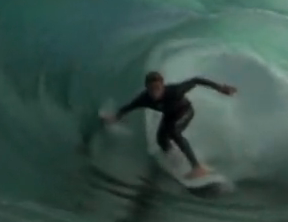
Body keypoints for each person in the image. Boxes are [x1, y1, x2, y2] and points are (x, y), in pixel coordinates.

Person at [101, 70, 237, 179]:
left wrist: (220, 88)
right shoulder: (145, 98)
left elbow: (196, 80)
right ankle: (177, 160)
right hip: (170, 116)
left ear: (163, 85)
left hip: (185, 111)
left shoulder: (175, 91)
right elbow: (129, 107)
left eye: (158, 88)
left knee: (173, 132)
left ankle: (197, 167)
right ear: (147, 88)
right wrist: (115, 117)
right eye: (151, 89)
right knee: (160, 139)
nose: (155, 92)